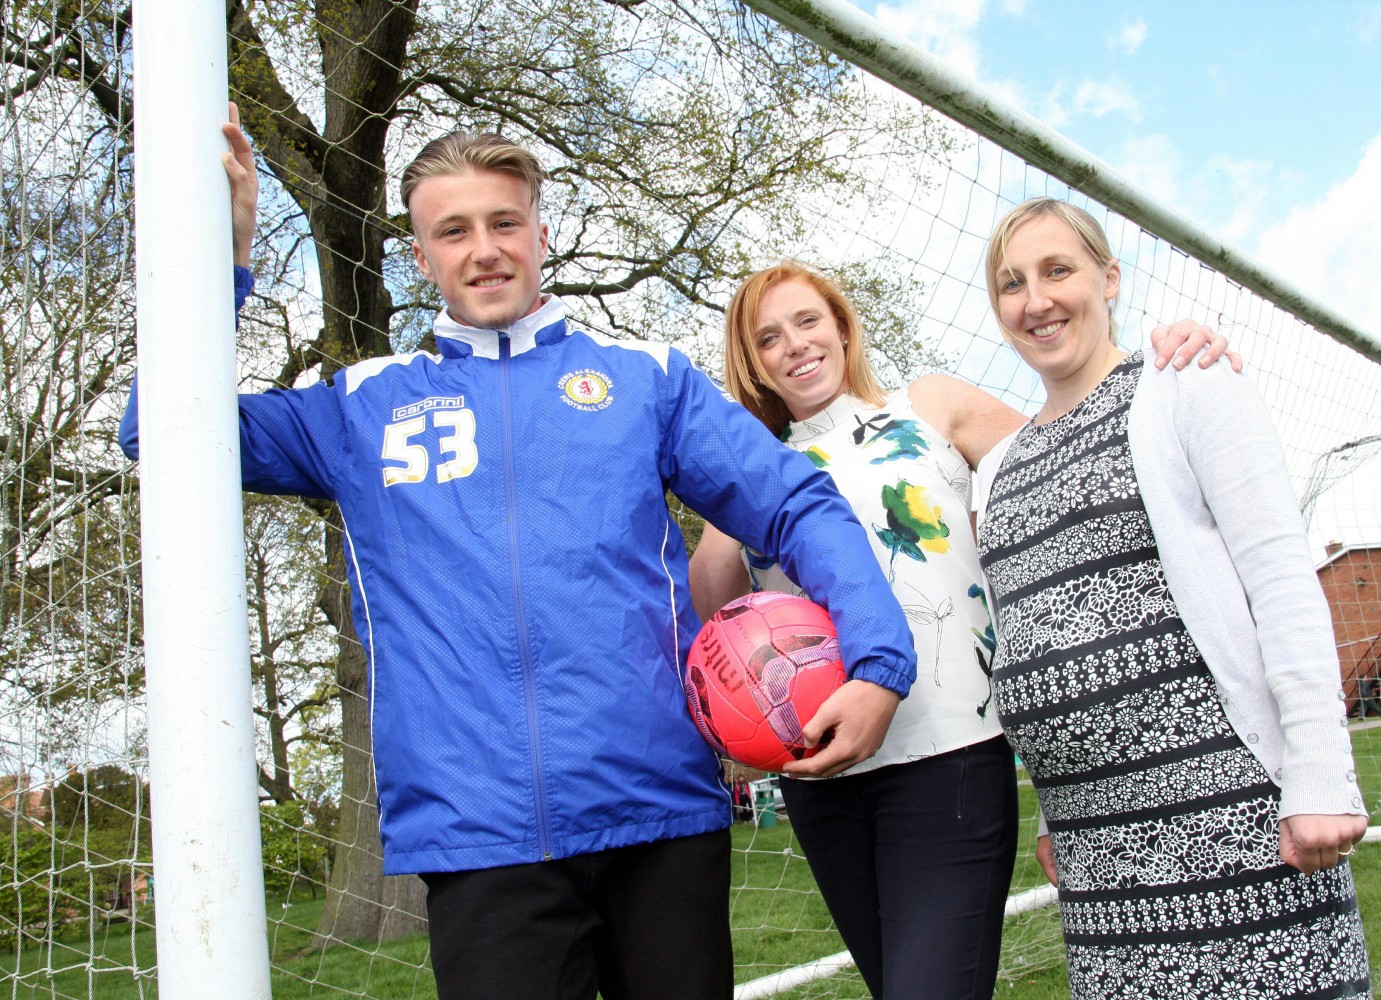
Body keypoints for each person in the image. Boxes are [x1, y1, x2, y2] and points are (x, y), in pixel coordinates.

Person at [120, 109, 922, 1000]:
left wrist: (880, 664)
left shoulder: (642, 377)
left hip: (658, 815)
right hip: (478, 837)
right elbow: (162, 431)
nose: (484, 249)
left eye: (504, 222)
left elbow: (795, 502)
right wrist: (221, 266)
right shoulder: (359, 408)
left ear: (541, 232)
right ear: (420, 256)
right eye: (452, 231)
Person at [689, 261, 1233, 999]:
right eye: (768, 338)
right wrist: (739, 487)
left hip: (949, 756)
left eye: (807, 321)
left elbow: (1069, 443)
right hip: (825, 776)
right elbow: (716, 605)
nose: (794, 345)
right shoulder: (758, 471)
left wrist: (1148, 364)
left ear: (842, 327)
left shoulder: (930, 404)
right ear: (751, 362)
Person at [975, 198, 1370, 998]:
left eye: (1058, 270)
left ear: (1109, 277)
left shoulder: (1184, 382)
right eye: (1011, 284)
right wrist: (1054, 818)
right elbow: (1036, 629)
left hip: (1231, 811)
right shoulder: (999, 466)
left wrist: (1321, 774)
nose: (1036, 300)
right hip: (1095, 848)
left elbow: (1280, 574)